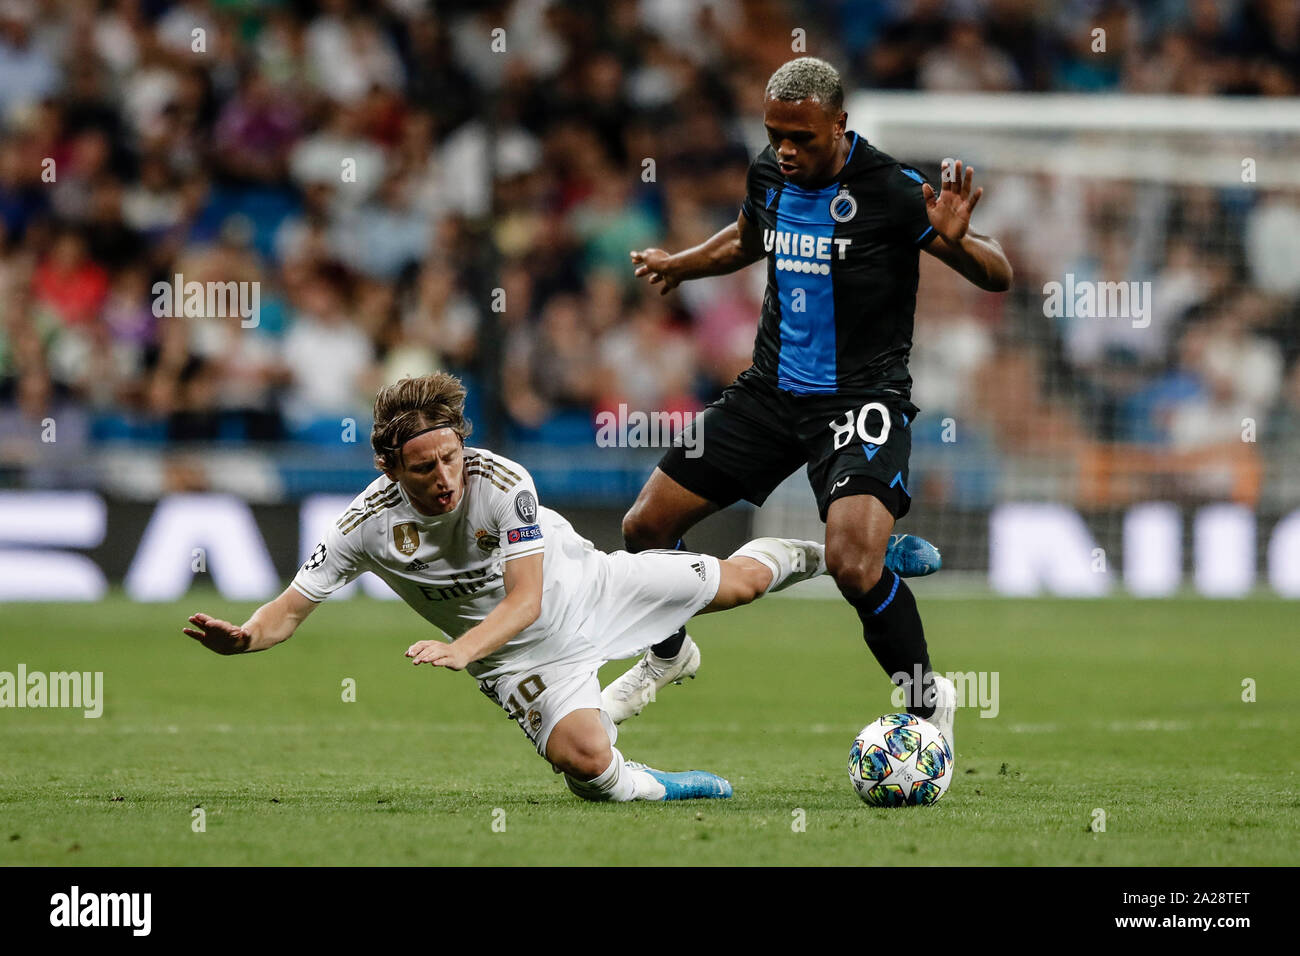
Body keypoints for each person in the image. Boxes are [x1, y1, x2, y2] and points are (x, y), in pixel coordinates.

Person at [608, 57, 1014, 755]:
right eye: (775, 135)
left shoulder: (890, 189)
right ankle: (668, 655)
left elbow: (998, 272)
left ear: (839, 124)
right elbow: (745, 238)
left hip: (861, 401)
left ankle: (926, 698)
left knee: (856, 565)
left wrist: (960, 243)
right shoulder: (770, 171)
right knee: (645, 527)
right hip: (768, 394)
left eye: (801, 137)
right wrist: (682, 263)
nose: (786, 150)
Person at [182, 372, 827, 802]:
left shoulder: (502, 482)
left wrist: (460, 650)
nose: (443, 477)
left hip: (585, 586)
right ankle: (658, 781)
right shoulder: (364, 527)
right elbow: (289, 610)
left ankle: (830, 557)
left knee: (740, 586)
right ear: (388, 468)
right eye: (422, 468)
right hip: (516, 658)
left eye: (449, 457)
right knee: (590, 771)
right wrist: (244, 639)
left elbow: (528, 597)